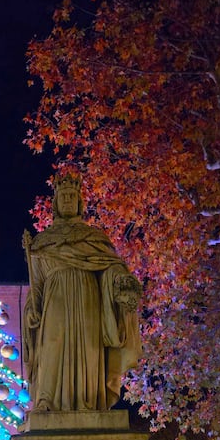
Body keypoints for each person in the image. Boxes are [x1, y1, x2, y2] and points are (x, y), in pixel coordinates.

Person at [22, 172, 143, 413]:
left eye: (72, 196)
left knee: (89, 349)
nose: (67, 200)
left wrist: (121, 281)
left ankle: (89, 401)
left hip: (88, 299)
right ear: (56, 203)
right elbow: (36, 288)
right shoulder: (41, 242)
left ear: (79, 203)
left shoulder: (94, 238)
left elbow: (112, 267)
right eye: (63, 196)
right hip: (54, 302)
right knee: (52, 345)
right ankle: (48, 401)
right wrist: (30, 314)